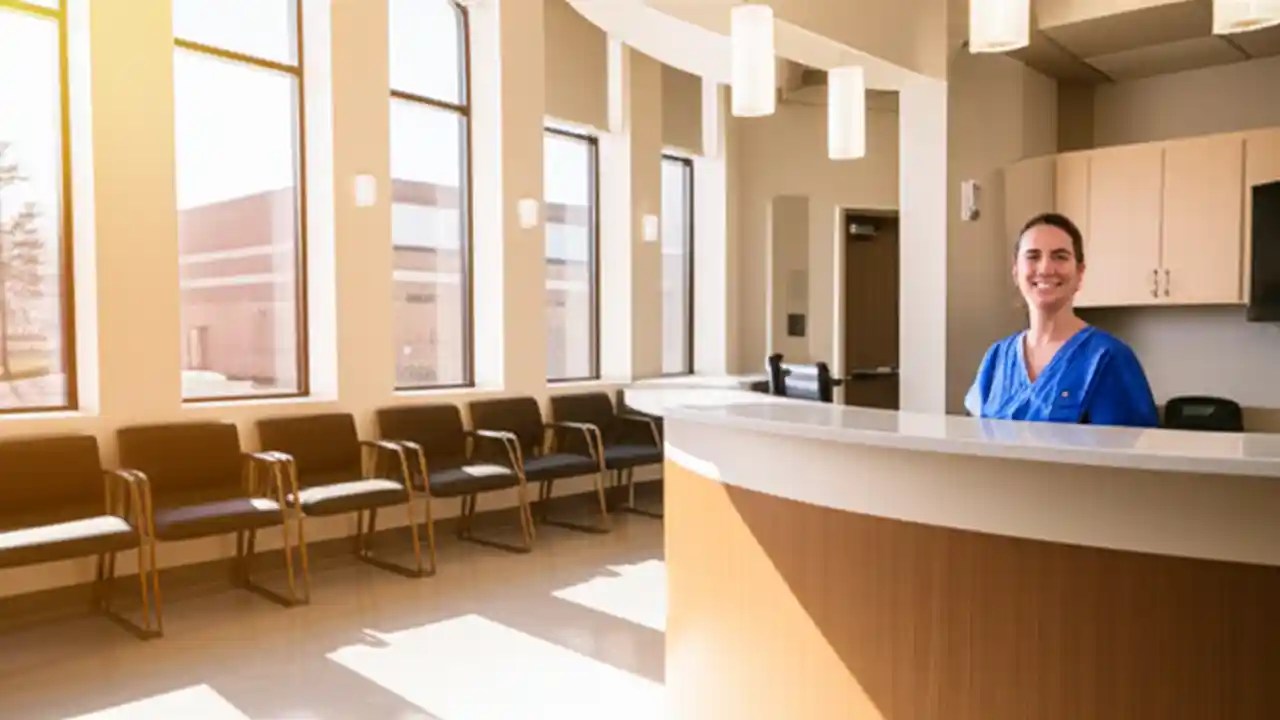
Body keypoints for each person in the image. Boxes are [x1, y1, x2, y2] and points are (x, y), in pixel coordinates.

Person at [964, 212, 1158, 427]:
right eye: (1033, 256)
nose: (1046, 268)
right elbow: (976, 444)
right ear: (1016, 272)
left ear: (1080, 273)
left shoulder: (1108, 359)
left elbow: (1127, 455)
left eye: (1060, 256)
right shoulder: (997, 358)